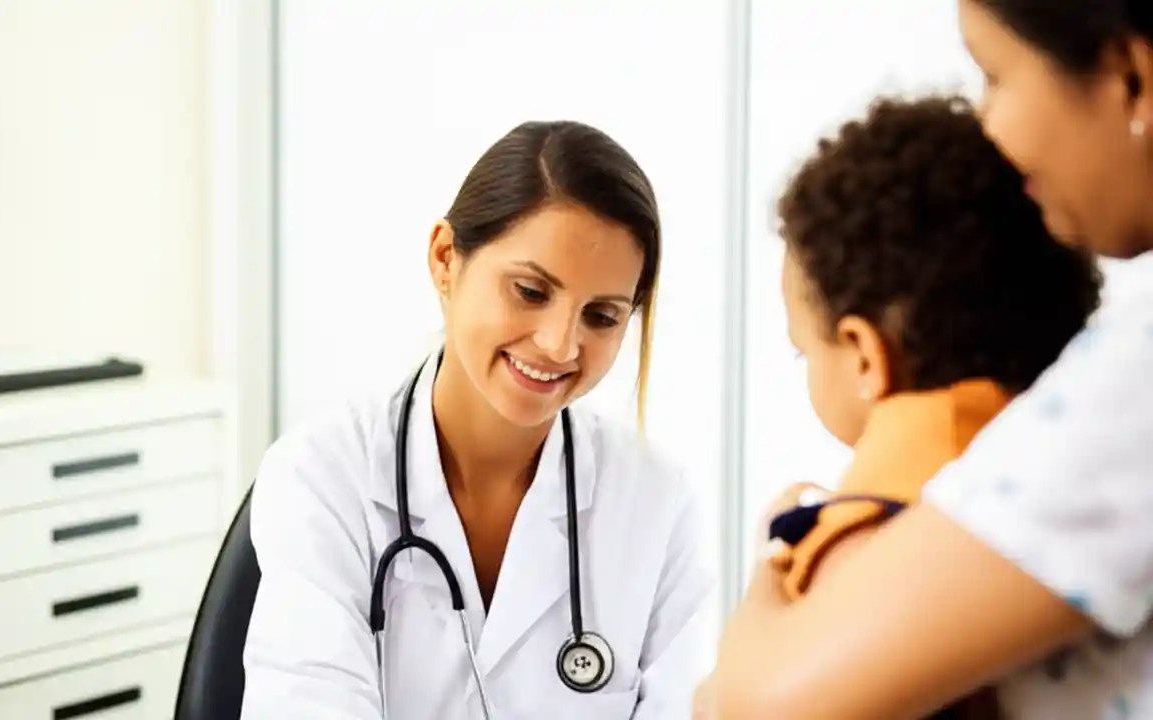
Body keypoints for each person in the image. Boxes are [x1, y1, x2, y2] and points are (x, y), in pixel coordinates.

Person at [695, 2, 1153, 718]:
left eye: (994, 74)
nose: (990, 122)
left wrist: (780, 549)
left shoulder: (853, 536)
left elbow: (757, 705)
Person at [240, 120, 713, 719]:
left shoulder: (655, 500)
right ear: (445, 260)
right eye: (531, 292)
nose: (560, 345)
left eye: (601, 316)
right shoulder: (323, 475)